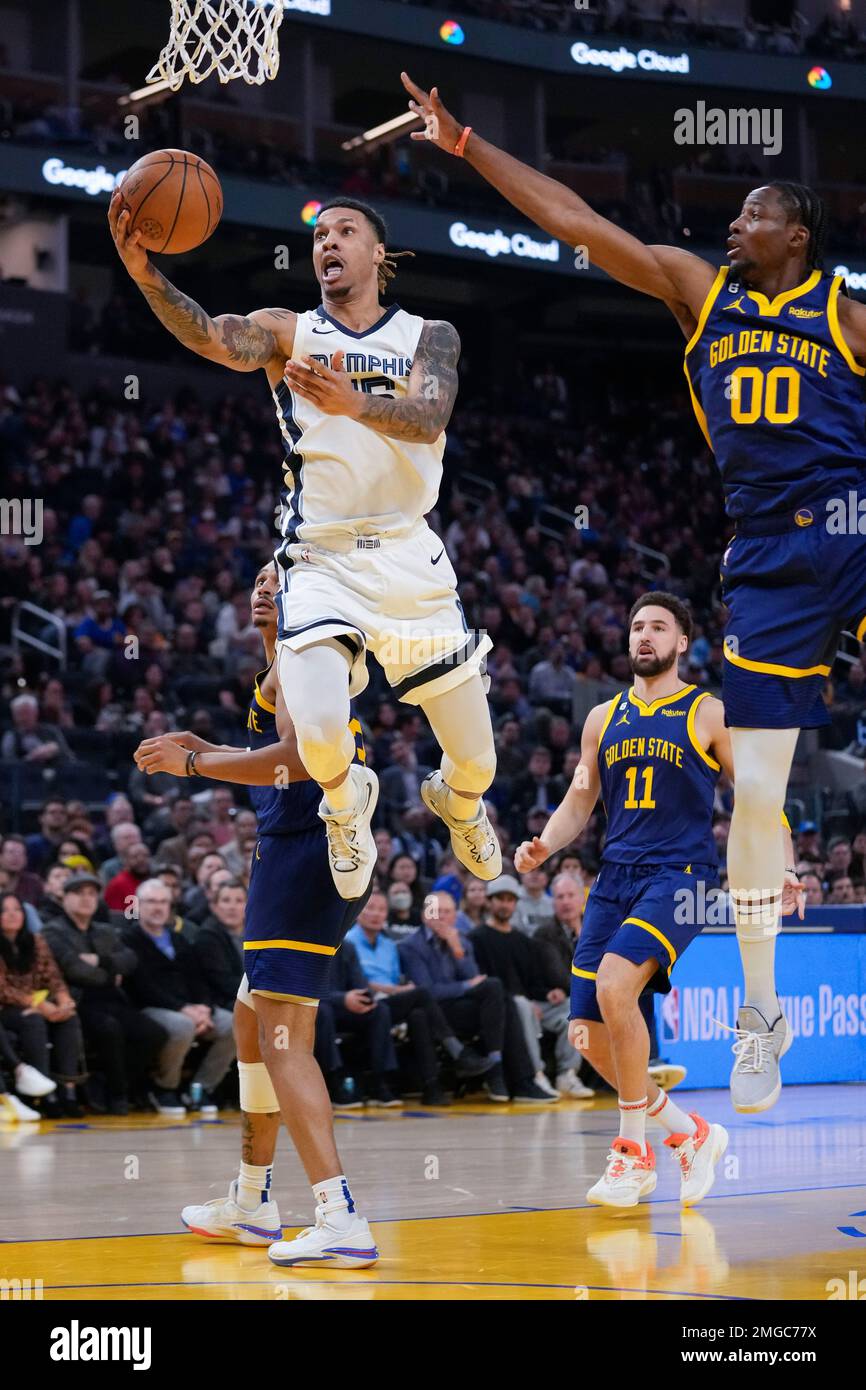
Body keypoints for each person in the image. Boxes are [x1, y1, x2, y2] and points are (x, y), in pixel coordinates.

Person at [403, 71, 866, 1114]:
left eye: (754, 212)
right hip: (759, 560)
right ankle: (759, 1017)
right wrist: (467, 142)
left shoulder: (842, 313)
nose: (732, 221)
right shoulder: (697, 293)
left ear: (797, 237)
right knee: (755, 794)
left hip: (852, 525)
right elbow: (573, 217)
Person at [109, 190, 502, 905]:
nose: (328, 242)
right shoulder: (290, 333)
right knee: (320, 737)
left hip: (411, 560)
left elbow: (430, 414)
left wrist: (354, 403)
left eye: (345, 231)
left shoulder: (428, 335)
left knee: (479, 760)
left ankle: (460, 802)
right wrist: (144, 272)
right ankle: (347, 803)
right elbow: (210, 335)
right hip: (320, 558)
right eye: (321, 234)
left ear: (379, 254)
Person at [515, 594, 802, 1207]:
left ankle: (632, 1154)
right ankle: (689, 1134)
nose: (644, 635)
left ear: (681, 644)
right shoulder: (601, 718)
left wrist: (786, 861)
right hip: (614, 877)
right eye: (637, 626)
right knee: (588, 1035)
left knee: (618, 985)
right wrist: (544, 842)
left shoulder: (708, 713)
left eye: (658, 628)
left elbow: (756, 798)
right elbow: (579, 800)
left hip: (683, 876)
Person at [137, 563, 377, 1268]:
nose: (265, 587)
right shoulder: (282, 664)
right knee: (251, 1016)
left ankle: (339, 1214)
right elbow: (278, 759)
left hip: (305, 854)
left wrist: (197, 766)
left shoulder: (303, 659)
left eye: (282, 577)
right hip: (291, 854)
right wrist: (204, 748)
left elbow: (300, 761)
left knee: (281, 1037)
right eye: (260, 578)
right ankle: (250, 1201)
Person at [399, 890, 554, 1103]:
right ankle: (507, 1076)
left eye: (447, 912)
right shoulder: (410, 946)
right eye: (436, 911)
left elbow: (477, 981)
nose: (442, 917)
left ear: (455, 916)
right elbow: (428, 991)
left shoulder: (462, 941)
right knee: (501, 998)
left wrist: (457, 950)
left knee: (500, 994)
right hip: (436, 1012)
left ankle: (505, 1072)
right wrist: (465, 986)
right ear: (425, 915)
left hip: (462, 1008)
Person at [345, 890, 490, 1103]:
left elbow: (395, 979)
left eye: (382, 909)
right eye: (370, 908)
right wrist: (396, 991)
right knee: (421, 993)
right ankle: (457, 1052)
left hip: (390, 1003)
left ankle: (431, 1087)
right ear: (357, 912)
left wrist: (398, 990)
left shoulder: (388, 945)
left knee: (419, 1014)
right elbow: (356, 982)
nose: (376, 914)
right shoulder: (348, 942)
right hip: (362, 1000)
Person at [42, 872, 165, 1115]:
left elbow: (130, 960)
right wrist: (110, 973)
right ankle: (118, 1095)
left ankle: (112, 1085)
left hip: (112, 998)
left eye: (91, 893)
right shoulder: (52, 931)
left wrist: (100, 960)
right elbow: (74, 969)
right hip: (78, 1000)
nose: (86, 899)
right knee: (109, 1029)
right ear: (64, 898)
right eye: (78, 893)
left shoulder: (106, 930)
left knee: (153, 1033)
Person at [122, 877, 236, 1118]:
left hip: (189, 1008)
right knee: (182, 1026)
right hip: (150, 1008)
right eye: (151, 901)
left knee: (235, 1023)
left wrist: (204, 1008)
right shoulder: (129, 940)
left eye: (164, 902)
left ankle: (201, 1088)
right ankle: (165, 1087)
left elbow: (198, 980)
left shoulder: (178, 938)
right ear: (138, 905)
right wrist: (184, 1009)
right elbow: (143, 987)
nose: (158, 907)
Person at [0, 891, 85, 1117]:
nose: (12, 915)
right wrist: (38, 1005)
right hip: (7, 1008)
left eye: (17, 909)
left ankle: (69, 1090)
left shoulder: (36, 940)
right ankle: (45, 1092)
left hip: (39, 1002)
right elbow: (3, 990)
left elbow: (54, 977)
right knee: (33, 1020)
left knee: (70, 1018)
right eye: (5, 910)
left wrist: (64, 1000)